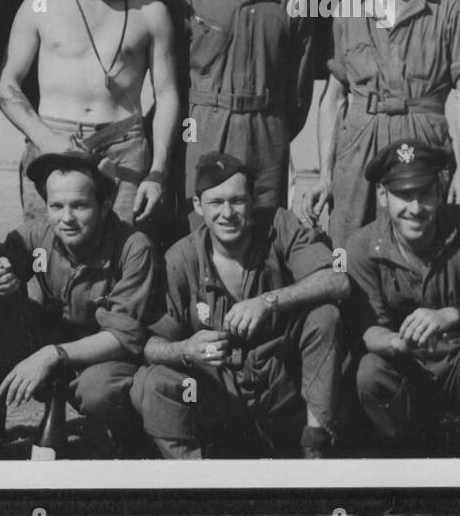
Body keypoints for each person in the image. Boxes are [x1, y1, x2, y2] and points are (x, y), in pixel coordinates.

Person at [133, 152, 348, 458]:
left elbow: (337, 280)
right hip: (218, 392)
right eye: (215, 203)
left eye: (237, 201)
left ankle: (315, 449)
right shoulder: (181, 258)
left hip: (281, 386)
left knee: (325, 317)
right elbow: (149, 344)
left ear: (252, 201)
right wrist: (185, 350)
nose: (228, 213)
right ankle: (195, 477)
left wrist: (269, 301)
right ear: (197, 207)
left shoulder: (279, 226)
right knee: (151, 382)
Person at [300, 0, 460, 248]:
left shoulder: (451, 8)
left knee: (429, 250)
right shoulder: (347, 10)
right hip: (359, 149)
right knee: (350, 251)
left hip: (424, 144)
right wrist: (325, 175)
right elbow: (334, 100)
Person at [0, 150, 163, 458]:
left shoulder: (134, 249)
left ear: (105, 203)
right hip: (55, 339)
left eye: (80, 205)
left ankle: (124, 435)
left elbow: (125, 338)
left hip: (106, 356)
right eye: (56, 206)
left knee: (98, 391)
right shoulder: (36, 233)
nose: (66, 218)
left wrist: (52, 356)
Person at [0, 0, 179, 227]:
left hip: (125, 148)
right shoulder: (40, 4)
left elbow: (166, 95)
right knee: (46, 253)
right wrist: (46, 139)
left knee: (123, 254)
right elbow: (7, 86)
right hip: (51, 145)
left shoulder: (152, 13)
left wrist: (157, 171)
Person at [346, 139, 460, 456]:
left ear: (440, 190)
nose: (415, 209)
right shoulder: (362, 245)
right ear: (382, 196)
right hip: (409, 368)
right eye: (403, 196)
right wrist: (393, 343)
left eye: (425, 194)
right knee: (369, 371)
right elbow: (367, 327)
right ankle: (405, 446)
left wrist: (449, 315)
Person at [170, 0, 315, 214]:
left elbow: (299, 89)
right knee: (202, 228)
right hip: (205, 126)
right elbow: (173, 82)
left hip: (266, 133)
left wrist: (272, 129)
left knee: (264, 229)